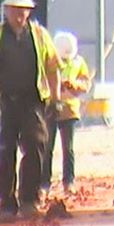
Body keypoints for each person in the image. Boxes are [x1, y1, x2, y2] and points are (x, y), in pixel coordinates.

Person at [0, 0, 60, 219]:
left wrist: (55, 98)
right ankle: (5, 201)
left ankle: (29, 199)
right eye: (14, 9)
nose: (18, 14)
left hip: (33, 101)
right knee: (4, 150)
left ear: (29, 11)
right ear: (6, 10)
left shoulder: (39, 36)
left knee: (35, 146)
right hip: (6, 101)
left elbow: (53, 67)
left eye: (23, 9)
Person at [43, 31, 90, 196]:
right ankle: (44, 183)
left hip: (69, 110)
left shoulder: (78, 62)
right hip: (50, 109)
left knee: (67, 148)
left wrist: (74, 85)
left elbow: (85, 83)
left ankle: (68, 181)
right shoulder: (48, 61)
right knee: (47, 147)